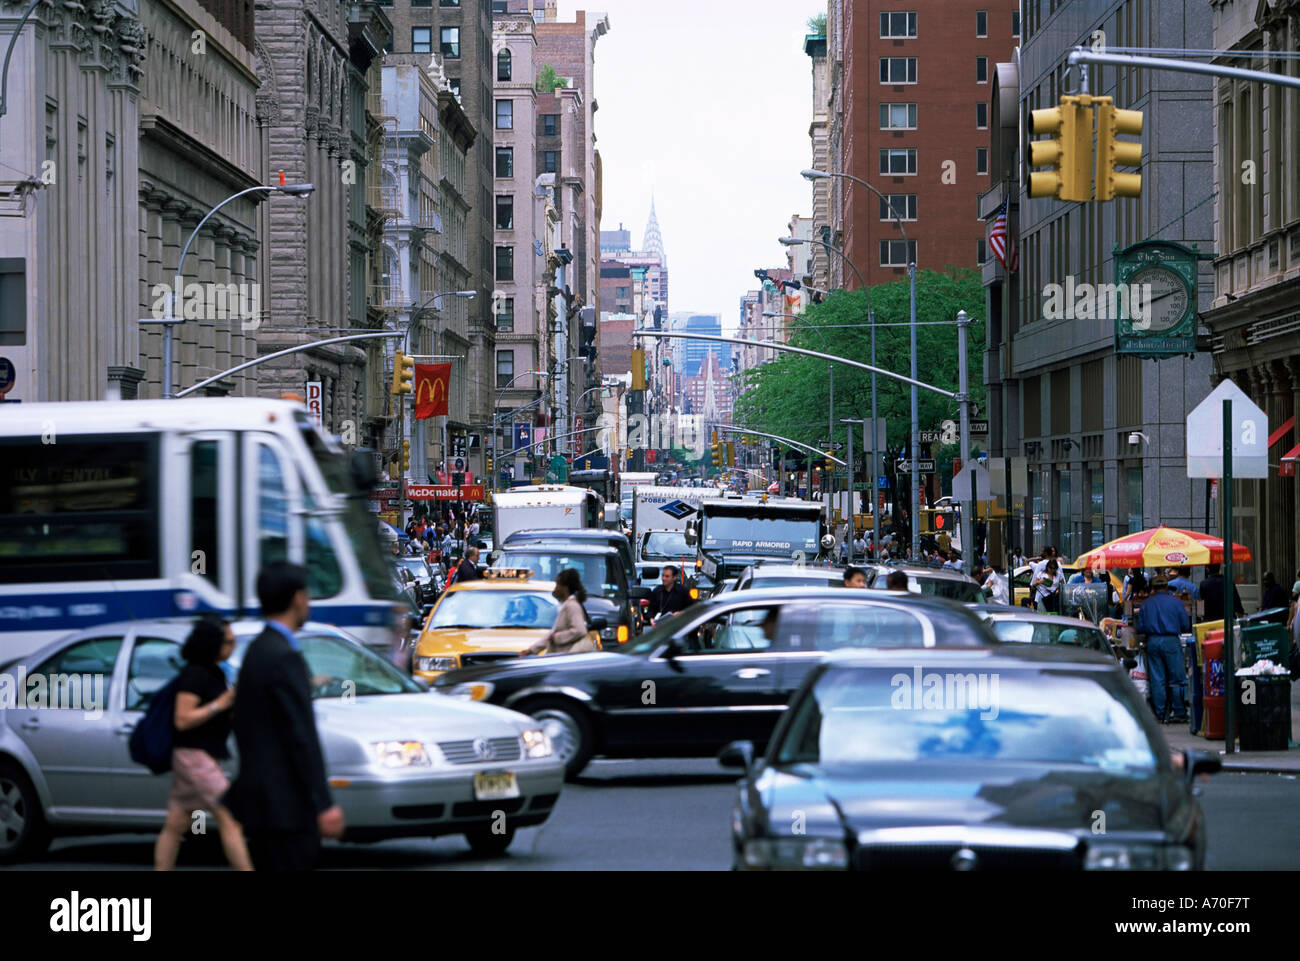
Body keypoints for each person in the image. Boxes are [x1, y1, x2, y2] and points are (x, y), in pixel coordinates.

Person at [223, 562, 344, 871]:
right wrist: (324, 802)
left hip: (263, 802)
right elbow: (301, 735)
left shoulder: (257, 651)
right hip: (286, 807)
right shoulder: (284, 657)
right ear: (298, 599)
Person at [153, 615, 252, 871]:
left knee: (176, 823)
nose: (232, 646)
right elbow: (183, 719)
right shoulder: (195, 675)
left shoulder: (214, 672)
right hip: (195, 758)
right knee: (230, 818)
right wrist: (222, 703)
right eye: (228, 642)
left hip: (196, 757)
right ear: (213, 644)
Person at [1135, 576, 1191, 724]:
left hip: (1153, 641)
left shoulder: (1147, 604)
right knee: (1177, 678)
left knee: (1157, 679)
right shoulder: (1176, 603)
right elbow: (1186, 625)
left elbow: (1140, 627)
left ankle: (1161, 713)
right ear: (1167, 587)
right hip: (1171, 641)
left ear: (1152, 589)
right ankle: (1178, 711)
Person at [528, 569, 596, 654]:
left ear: (565, 587)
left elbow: (580, 630)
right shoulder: (566, 605)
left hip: (569, 658)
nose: (555, 589)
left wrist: (557, 637)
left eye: (558, 585)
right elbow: (550, 637)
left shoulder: (572, 606)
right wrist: (531, 650)